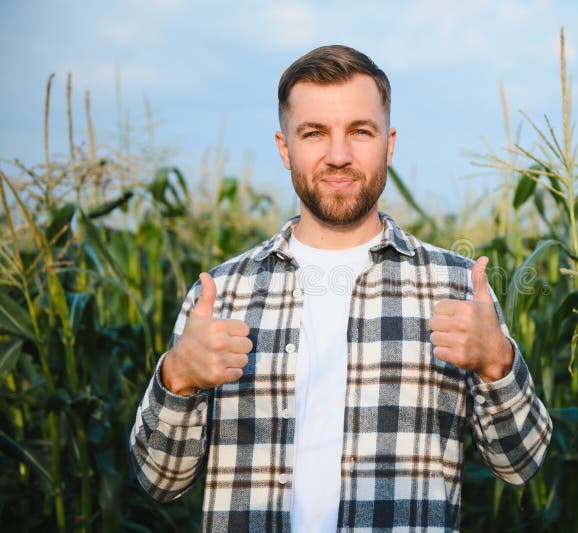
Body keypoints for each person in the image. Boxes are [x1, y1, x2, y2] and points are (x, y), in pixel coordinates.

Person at [130, 44, 552, 532]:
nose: (338, 155)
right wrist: (177, 377)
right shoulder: (221, 294)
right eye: (314, 133)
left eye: (359, 131)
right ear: (285, 147)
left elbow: (521, 465)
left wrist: (498, 363)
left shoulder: (458, 288)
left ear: (388, 144)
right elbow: (160, 479)